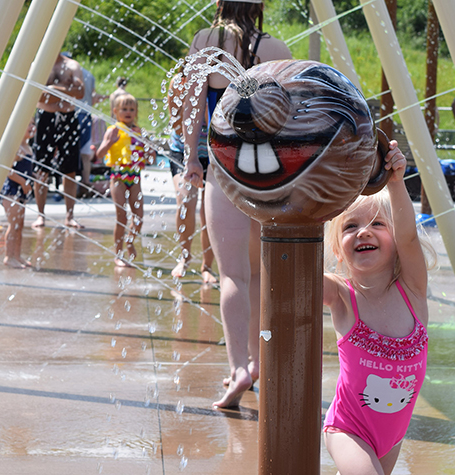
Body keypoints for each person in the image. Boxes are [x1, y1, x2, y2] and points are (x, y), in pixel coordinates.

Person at [181, 0, 292, 408]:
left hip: (224, 166)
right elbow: (290, 113)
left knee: (232, 276)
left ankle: (238, 368)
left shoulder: (206, 41)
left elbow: (194, 109)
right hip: (267, 172)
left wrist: (193, 159)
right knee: (259, 275)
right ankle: (260, 362)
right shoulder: (279, 49)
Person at [322, 142, 434, 475]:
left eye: (377, 224)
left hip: (392, 436)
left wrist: (397, 182)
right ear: (339, 251)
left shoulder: (413, 291)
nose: (363, 231)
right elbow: (298, 273)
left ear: (395, 241)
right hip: (348, 429)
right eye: (350, 227)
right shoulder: (342, 296)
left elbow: (410, 237)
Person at [166, 72, 217, 284]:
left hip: (212, 153)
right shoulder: (179, 81)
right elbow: (178, 124)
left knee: (210, 210)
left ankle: (207, 267)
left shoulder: (217, 83)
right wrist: (194, 107)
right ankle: (184, 258)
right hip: (183, 152)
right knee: (186, 199)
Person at [95, 93, 153, 267]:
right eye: (124, 109)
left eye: (132, 109)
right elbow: (99, 155)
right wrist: (109, 143)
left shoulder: (140, 132)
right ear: (115, 111)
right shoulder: (113, 130)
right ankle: (118, 254)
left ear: (136, 112)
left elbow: (150, 158)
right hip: (118, 178)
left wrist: (150, 152)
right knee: (122, 217)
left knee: (139, 218)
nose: (128, 112)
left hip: (135, 178)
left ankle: (130, 241)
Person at [32, 52, 85, 229]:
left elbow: (80, 92)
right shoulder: (38, 64)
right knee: (41, 169)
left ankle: (69, 216)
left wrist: (53, 90)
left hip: (68, 117)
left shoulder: (72, 66)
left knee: (69, 170)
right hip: (45, 116)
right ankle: (40, 215)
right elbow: (36, 95)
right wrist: (65, 91)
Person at [0, 121, 36, 269]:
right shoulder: (17, 148)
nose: (32, 127)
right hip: (11, 191)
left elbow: (26, 169)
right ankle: (8, 257)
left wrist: (34, 176)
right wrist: (23, 182)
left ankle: (17, 255)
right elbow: (7, 170)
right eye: (27, 124)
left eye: (33, 123)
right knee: (13, 224)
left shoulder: (28, 148)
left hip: (21, 191)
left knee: (19, 226)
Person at [76, 65, 107, 197]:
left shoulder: (65, 71)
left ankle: (69, 184)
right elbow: (93, 98)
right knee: (85, 151)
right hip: (85, 114)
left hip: (71, 114)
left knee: (68, 152)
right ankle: (86, 181)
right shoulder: (89, 74)